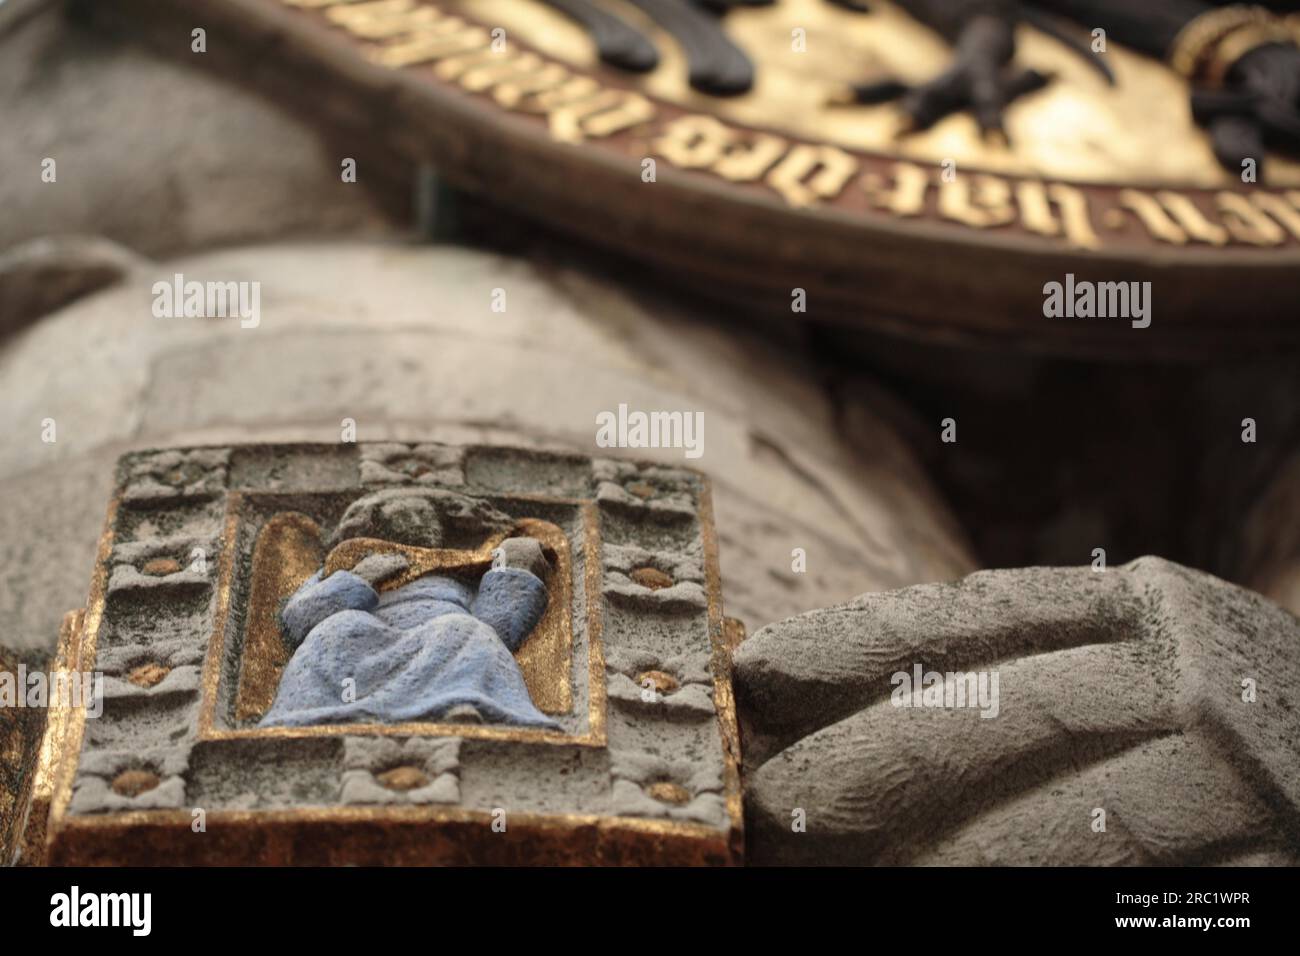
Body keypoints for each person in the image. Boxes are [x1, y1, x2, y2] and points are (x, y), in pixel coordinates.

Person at [260, 536, 559, 730]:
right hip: (361, 640)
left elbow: (500, 629)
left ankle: (456, 702)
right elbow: (298, 621)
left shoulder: (460, 575)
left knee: (463, 629)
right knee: (339, 629)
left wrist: (515, 568)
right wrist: (361, 578)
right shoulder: (343, 564)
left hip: (444, 635)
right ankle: (319, 712)